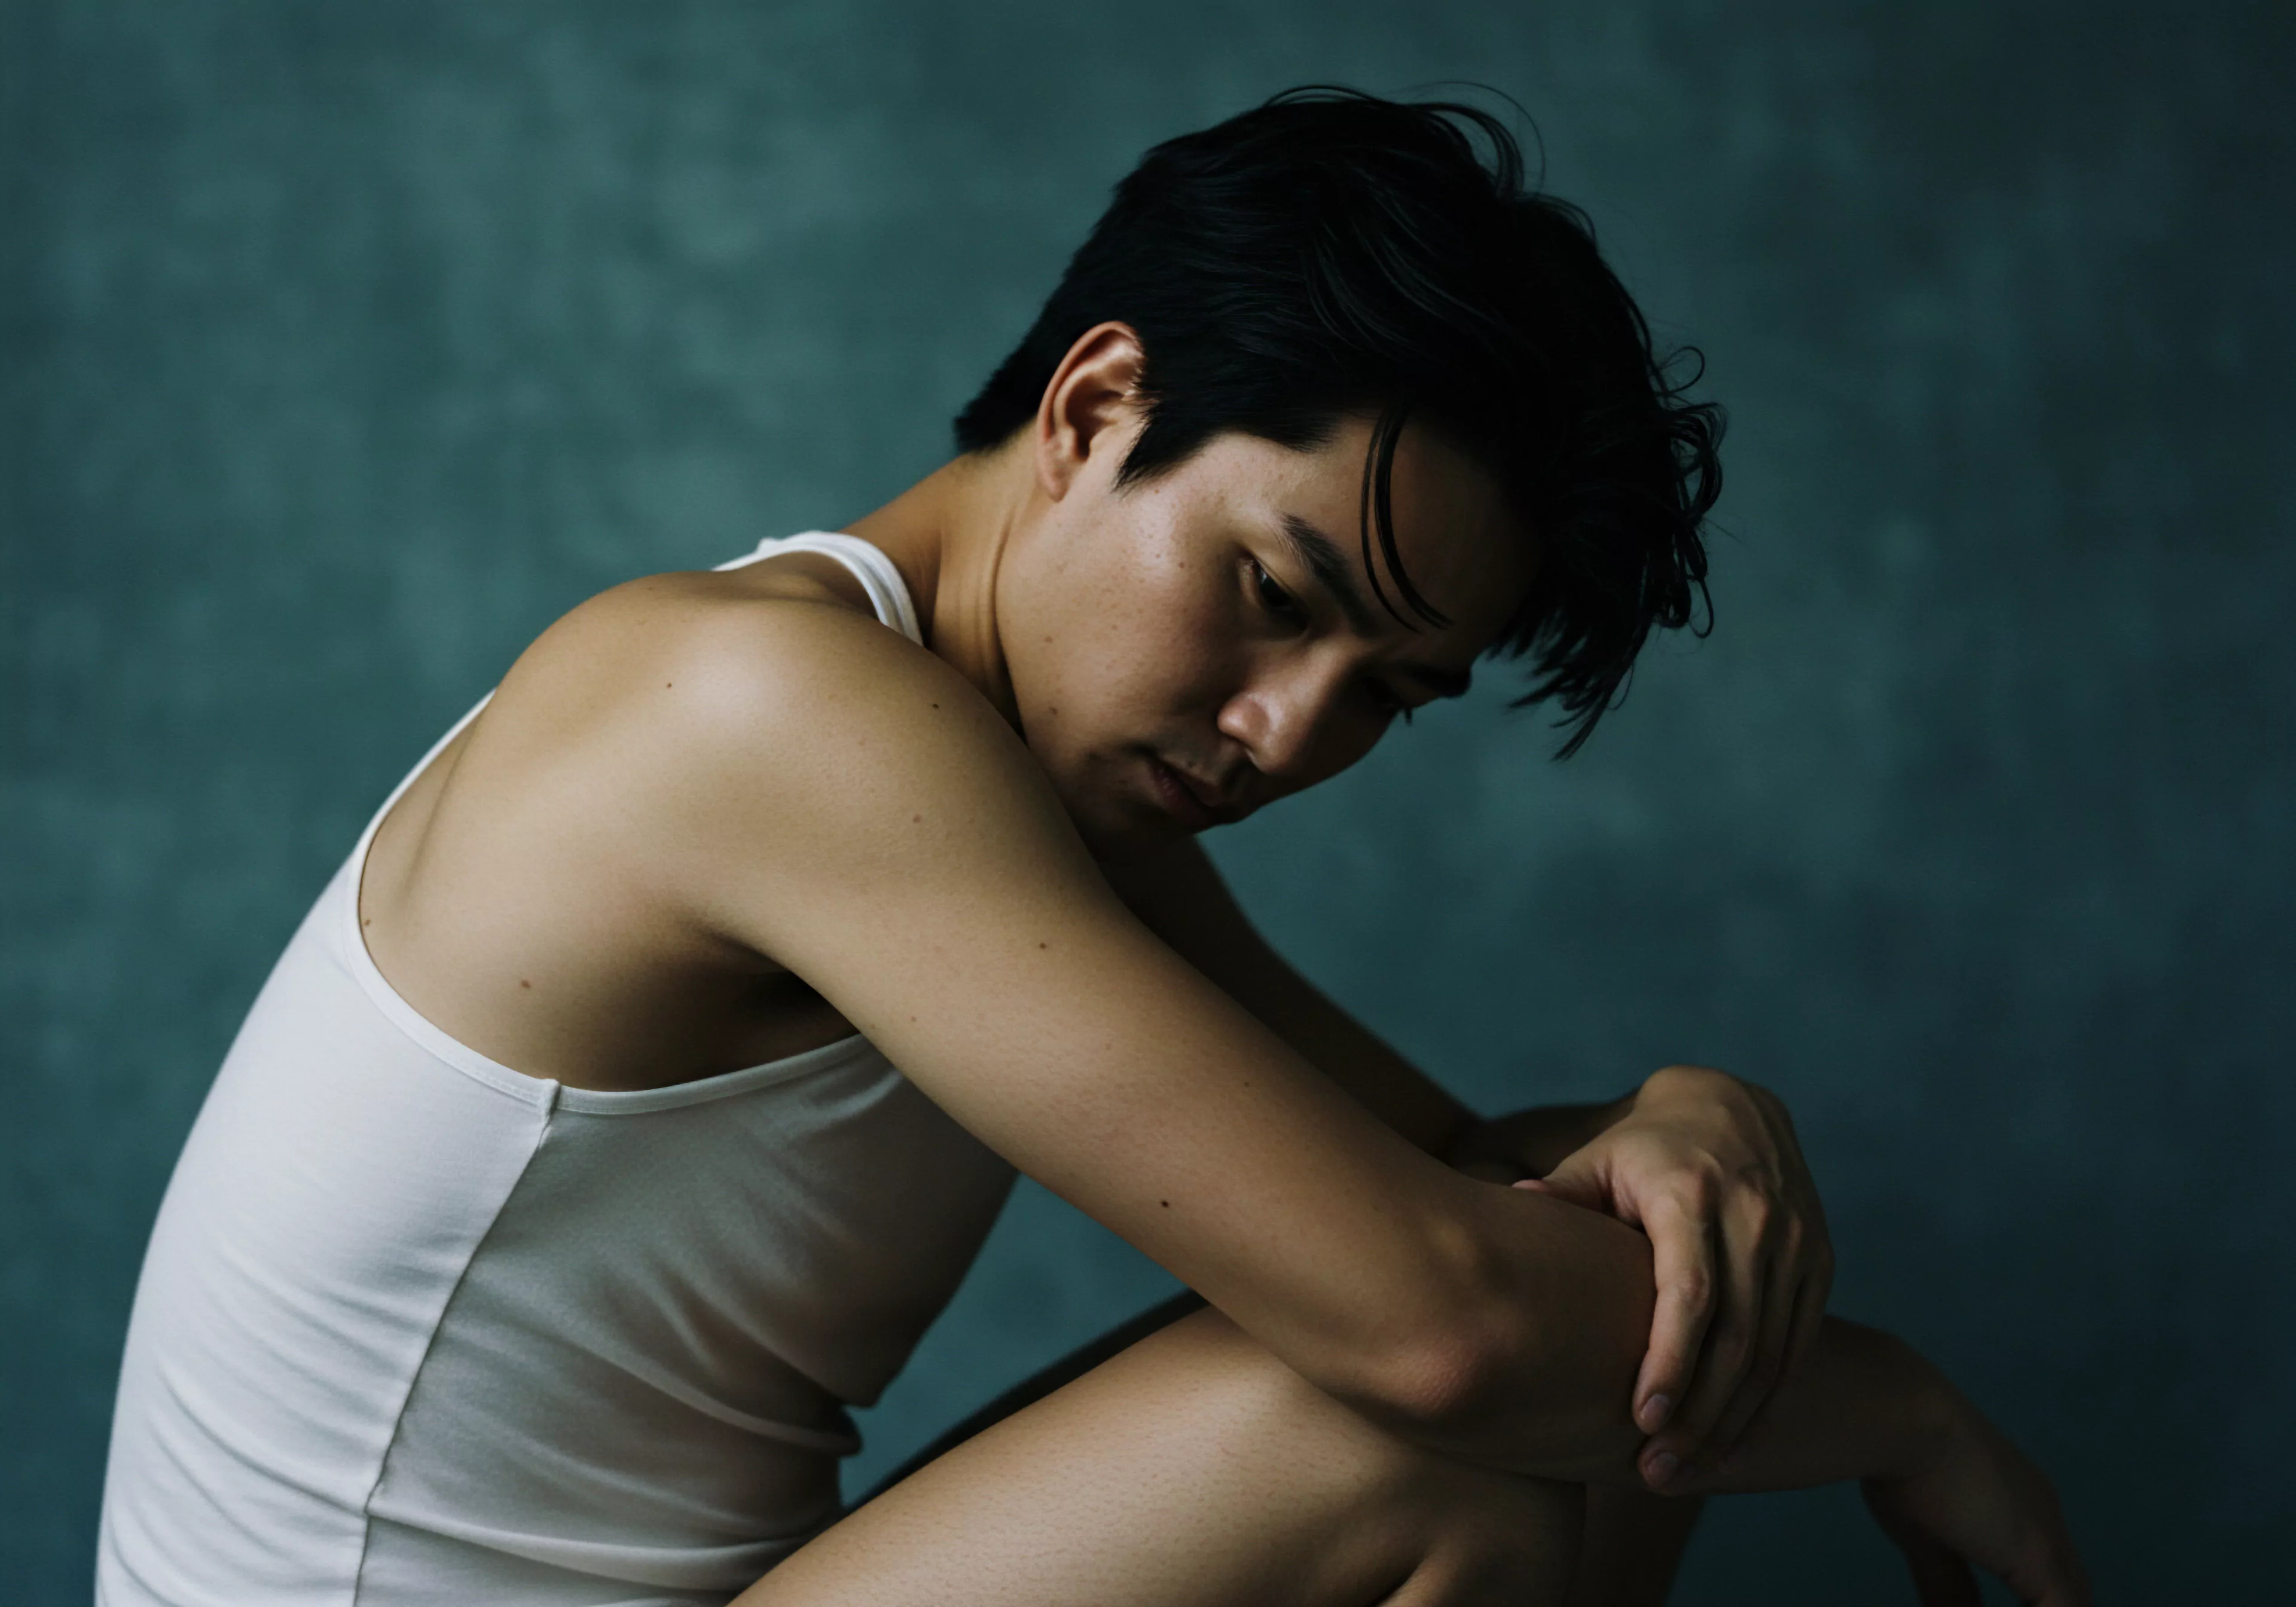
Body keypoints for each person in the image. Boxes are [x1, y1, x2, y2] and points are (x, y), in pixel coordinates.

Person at [96, 88, 2088, 1606]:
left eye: (1390, 690)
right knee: (1439, 1430)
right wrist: (1894, 1400)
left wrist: (1692, 1114)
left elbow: (1473, 1203)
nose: (1291, 731)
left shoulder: (1016, 771)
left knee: (1574, 1314)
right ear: (1099, 402)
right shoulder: (756, 709)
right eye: (1273, 589)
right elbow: (1444, 1324)